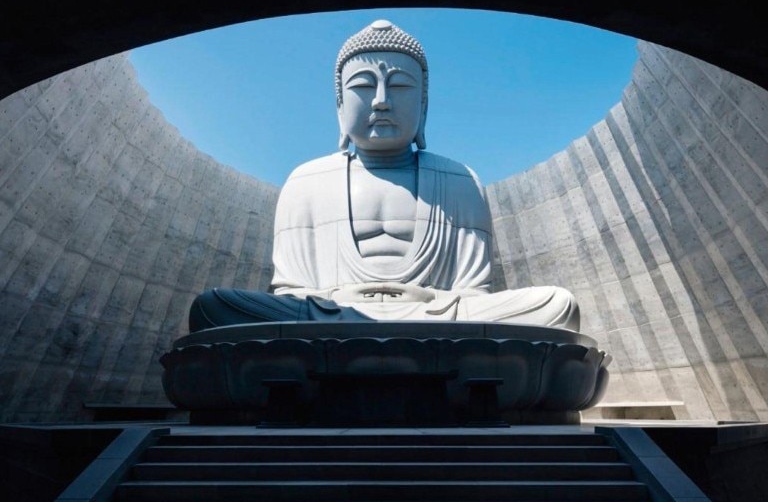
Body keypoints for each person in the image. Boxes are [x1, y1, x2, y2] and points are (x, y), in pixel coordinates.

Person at [189, 19, 580, 332]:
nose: (381, 100)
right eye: (363, 86)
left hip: (437, 318)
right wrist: (332, 308)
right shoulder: (306, 181)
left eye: (400, 86)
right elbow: (294, 293)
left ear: (423, 105)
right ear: (340, 106)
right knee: (214, 307)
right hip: (328, 316)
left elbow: (471, 295)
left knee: (556, 306)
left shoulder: (460, 180)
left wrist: (437, 307)